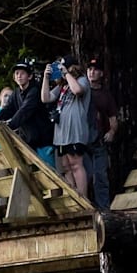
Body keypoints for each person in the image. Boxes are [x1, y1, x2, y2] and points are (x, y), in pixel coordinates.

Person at [43, 55, 93, 198]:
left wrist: (66, 73)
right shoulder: (62, 87)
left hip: (75, 130)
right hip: (61, 133)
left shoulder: (82, 80)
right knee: (65, 166)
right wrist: (46, 78)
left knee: (76, 163)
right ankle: (73, 197)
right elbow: (45, 98)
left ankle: (83, 198)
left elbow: (77, 90)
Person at [4, 60, 55, 164]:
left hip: (43, 141)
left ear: (30, 76)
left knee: (50, 173)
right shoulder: (16, 93)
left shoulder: (35, 90)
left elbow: (24, 111)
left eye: (22, 73)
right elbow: (7, 110)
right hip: (29, 141)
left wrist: (9, 125)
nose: (19, 76)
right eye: (17, 73)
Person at [86, 58, 120, 210]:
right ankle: (85, 209)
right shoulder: (80, 89)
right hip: (81, 141)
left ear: (101, 73)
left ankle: (104, 211)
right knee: (83, 176)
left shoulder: (106, 95)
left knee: (100, 177)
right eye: (89, 69)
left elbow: (113, 117)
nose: (91, 72)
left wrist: (112, 131)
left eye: (95, 70)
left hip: (99, 140)